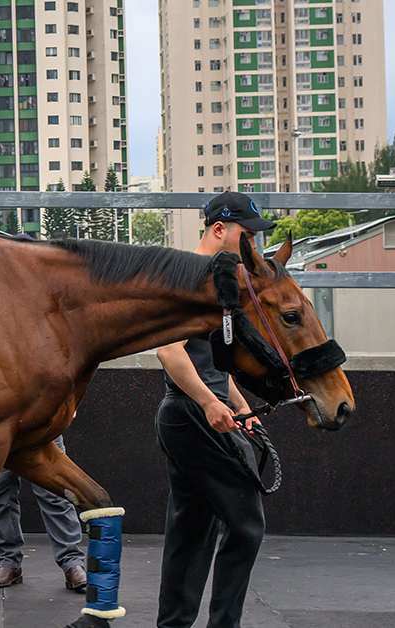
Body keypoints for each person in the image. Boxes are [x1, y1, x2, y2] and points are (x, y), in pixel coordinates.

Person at [153, 191, 274, 628]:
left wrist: (243, 409)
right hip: (190, 414)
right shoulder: (188, 278)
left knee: (192, 529)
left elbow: (217, 366)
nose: (254, 248)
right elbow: (169, 351)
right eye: (248, 237)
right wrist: (209, 403)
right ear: (219, 230)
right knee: (246, 525)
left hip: (199, 414)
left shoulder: (220, 283)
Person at [0, 435, 87, 593]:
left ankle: (72, 562)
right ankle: (9, 562)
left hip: (42, 424)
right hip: (0, 424)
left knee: (54, 494)